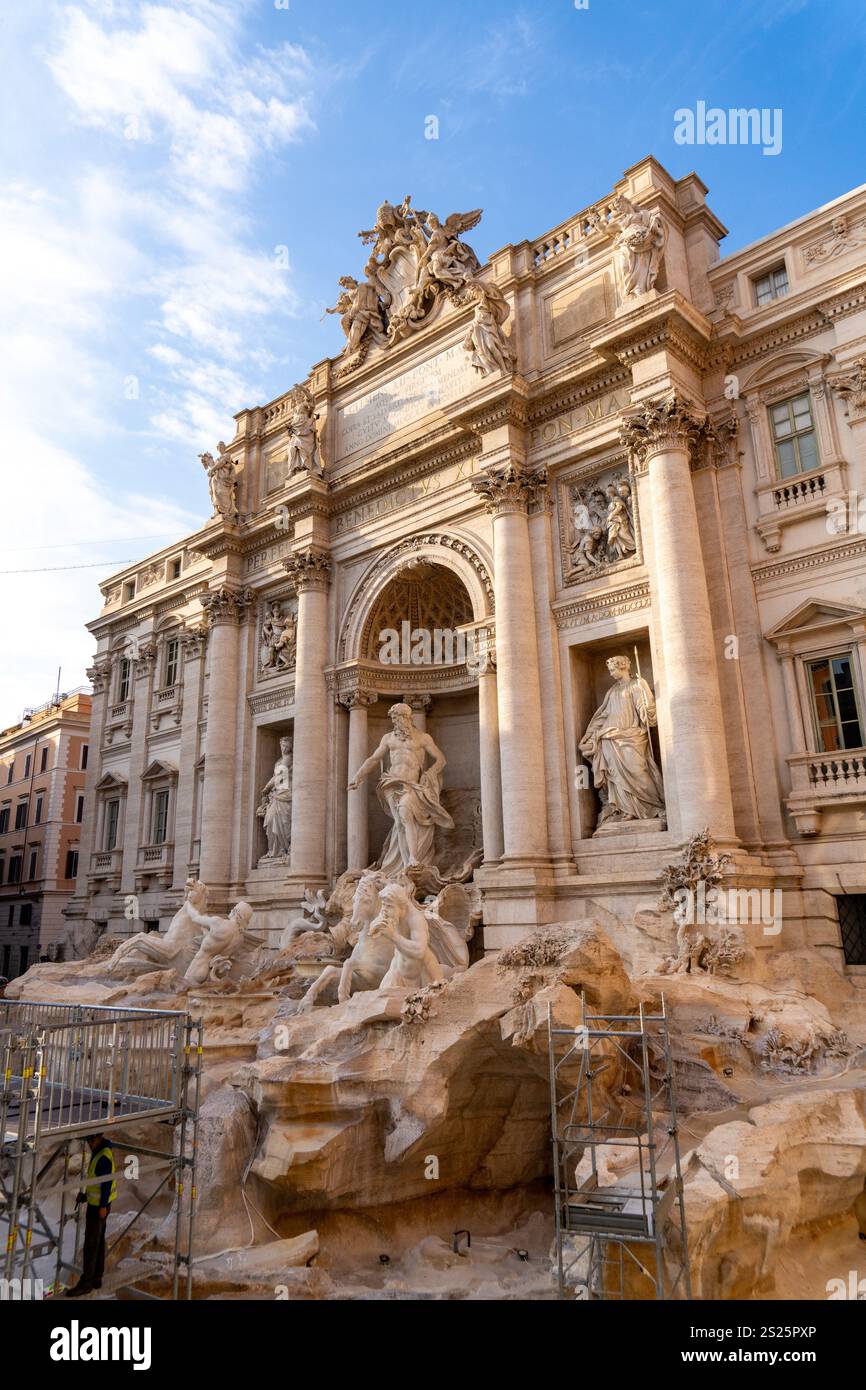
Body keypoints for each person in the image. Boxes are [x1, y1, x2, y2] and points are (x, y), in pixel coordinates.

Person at [66, 1132, 117, 1297]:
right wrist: (86, 1196)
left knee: (91, 1243)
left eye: (91, 1140)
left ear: (98, 1138)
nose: (89, 1143)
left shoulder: (103, 1156)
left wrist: (102, 1206)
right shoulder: (99, 1151)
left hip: (98, 1208)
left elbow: (107, 1182)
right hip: (98, 1205)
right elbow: (97, 1181)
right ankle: (97, 1277)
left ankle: (86, 1282)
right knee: (98, 1241)